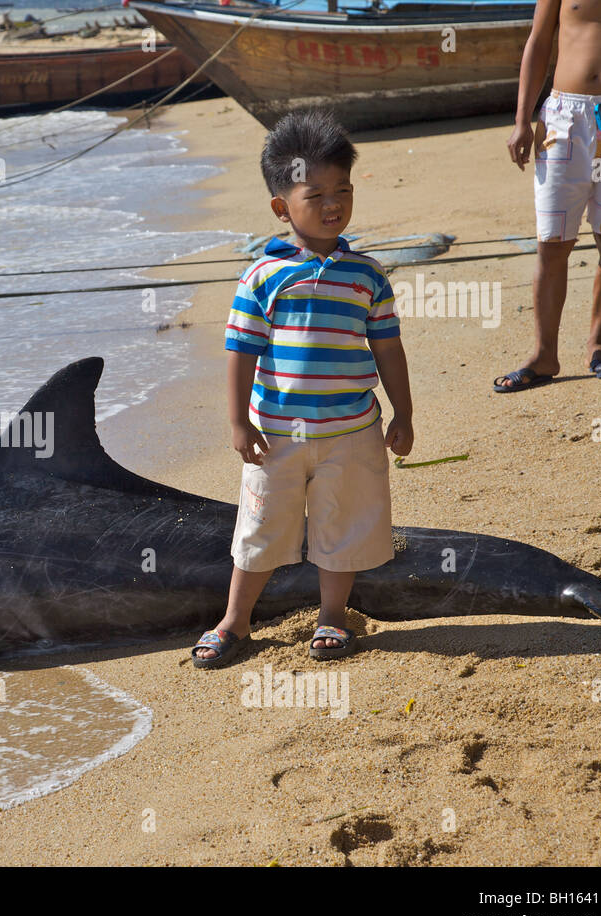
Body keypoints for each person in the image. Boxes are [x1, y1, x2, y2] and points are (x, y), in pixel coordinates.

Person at [192, 109, 414, 668]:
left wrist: (402, 413)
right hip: (276, 434)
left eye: (342, 190)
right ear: (280, 206)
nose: (333, 203)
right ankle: (233, 621)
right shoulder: (262, 277)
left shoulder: (367, 274)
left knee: (344, 526)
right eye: (315, 194)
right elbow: (241, 350)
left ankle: (332, 616)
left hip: (354, 430)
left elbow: (387, 347)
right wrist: (239, 422)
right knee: (261, 527)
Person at [496, 0, 601, 392]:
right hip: (562, 118)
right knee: (552, 240)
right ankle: (544, 354)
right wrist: (521, 120)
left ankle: (599, 346)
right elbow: (538, 41)